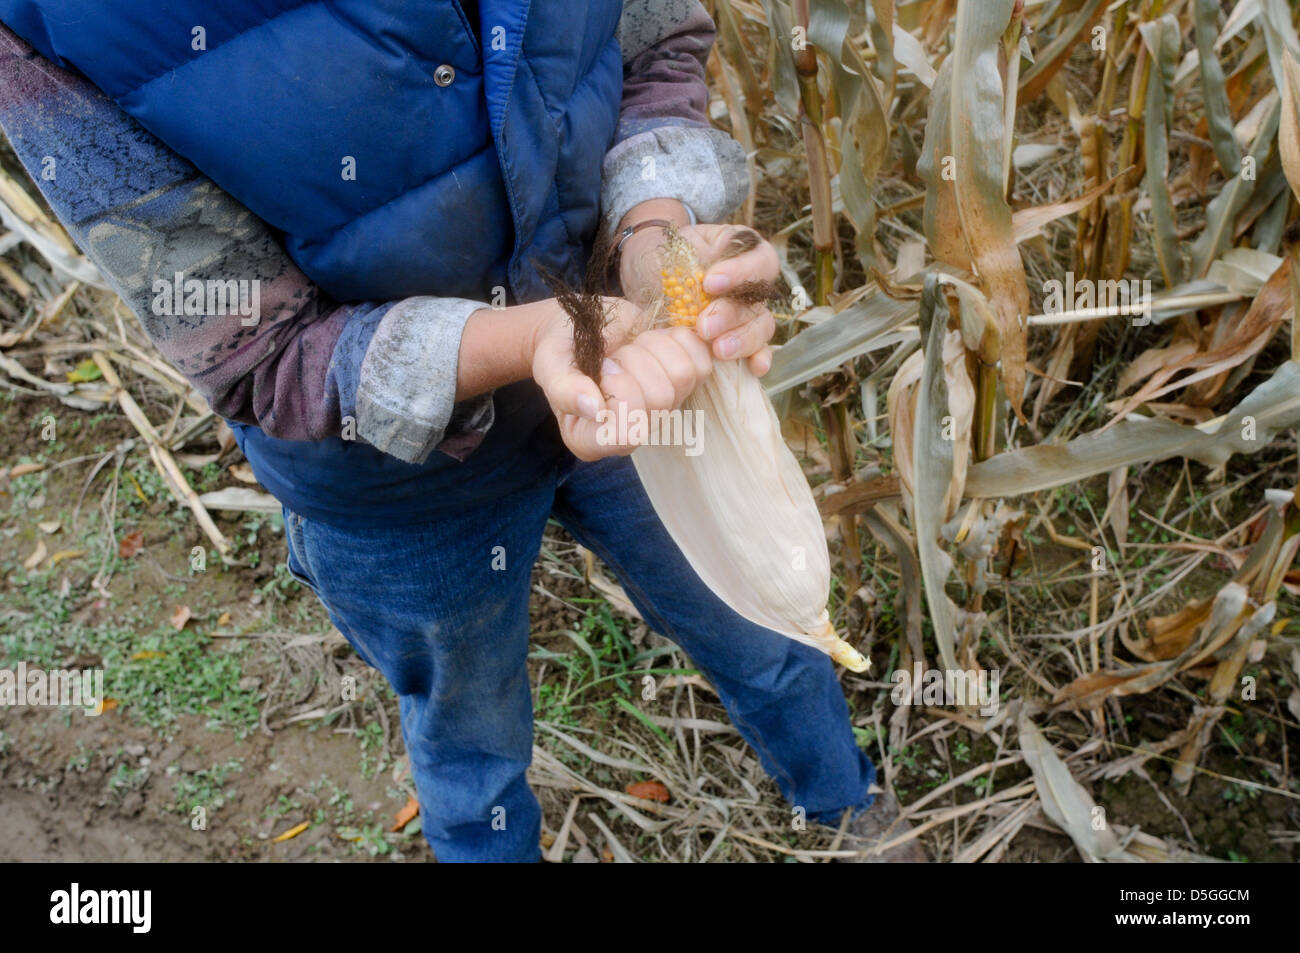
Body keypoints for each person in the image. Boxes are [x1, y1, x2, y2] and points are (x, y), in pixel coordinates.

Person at [0, 0, 923, 863]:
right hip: (396, 487)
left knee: (764, 619)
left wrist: (659, 242)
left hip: (638, 379)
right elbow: (258, 350)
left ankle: (846, 806)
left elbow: (652, 40)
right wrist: (536, 339)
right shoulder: (46, 23)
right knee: (471, 742)